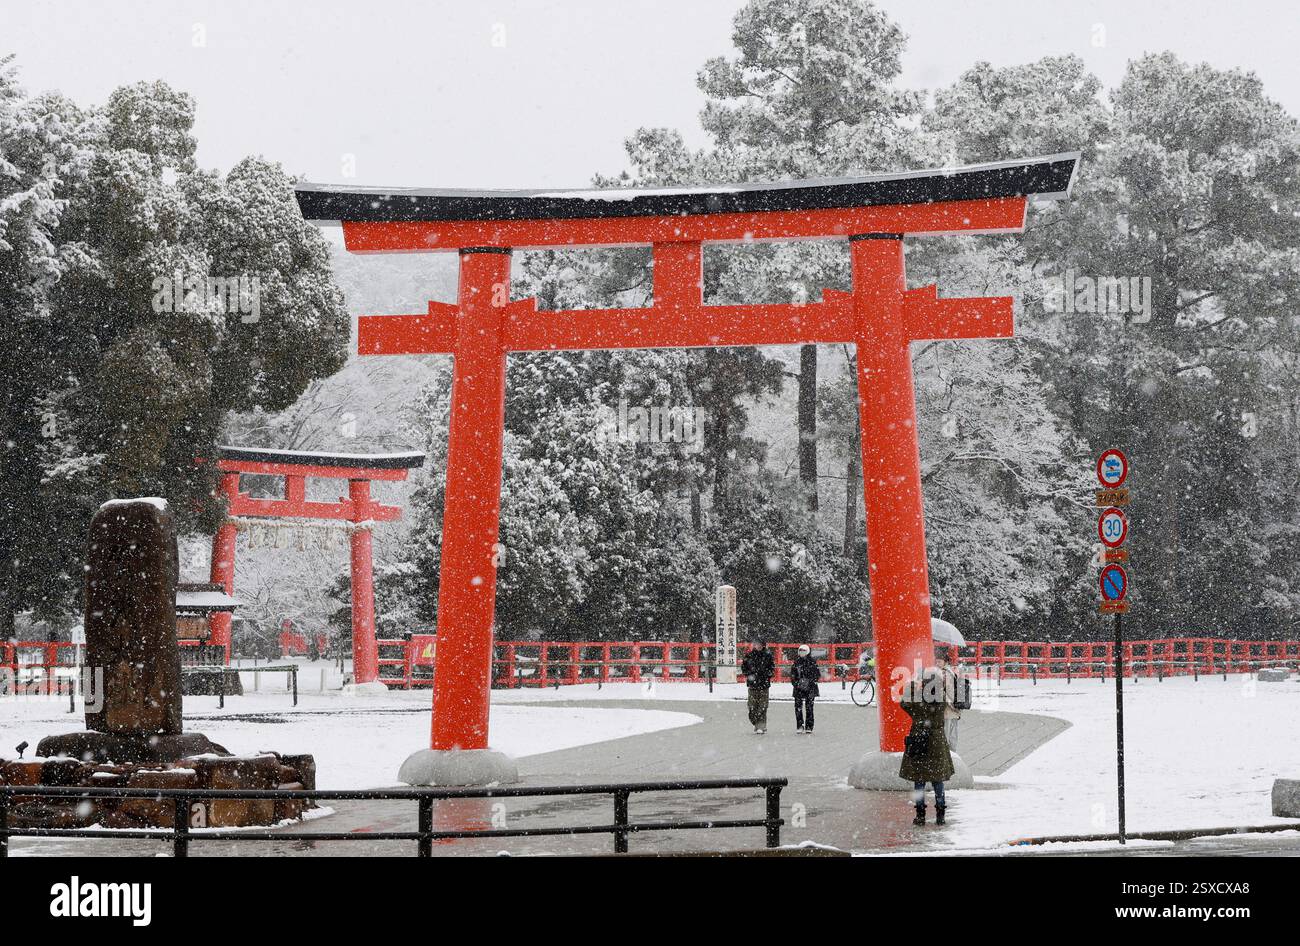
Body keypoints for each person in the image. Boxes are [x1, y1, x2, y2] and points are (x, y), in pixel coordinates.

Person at [899, 667, 955, 826]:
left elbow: (904, 703)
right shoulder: (940, 700)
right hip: (936, 742)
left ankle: (920, 815)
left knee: (919, 781)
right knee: (938, 781)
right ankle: (940, 815)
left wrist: (911, 686)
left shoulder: (917, 700)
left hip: (919, 741)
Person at [740, 639, 775, 734]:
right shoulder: (749, 656)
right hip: (752, 685)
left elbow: (772, 668)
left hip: (764, 684)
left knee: (763, 706)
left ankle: (761, 726)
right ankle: (755, 721)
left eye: (759, 644)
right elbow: (744, 668)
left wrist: (767, 674)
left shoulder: (768, 656)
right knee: (752, 706)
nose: (757, 646)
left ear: (763, 645)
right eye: (755, 644)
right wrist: (749, 674)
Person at [935, 646, 964, 751]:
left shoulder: (945, 674)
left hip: (948, 709)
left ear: (945, 661)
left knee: (947, 736)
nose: (937, 664)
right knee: (952, 735)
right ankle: (951, 755)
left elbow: (948, 693)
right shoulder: (950, 671)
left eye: (939, 661)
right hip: (953, 710)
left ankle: (949, 757)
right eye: (936, 662)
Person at [790, 644, 821, 734]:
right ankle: (799, 725)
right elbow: (792, 675)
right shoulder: (796, 662)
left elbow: (817, 675)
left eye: (803, 651)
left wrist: (809, 682)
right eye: (800, 651)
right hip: (798, 688)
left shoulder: (812, 662)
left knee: (809, 707)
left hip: (810, 688)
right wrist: (796, 683)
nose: (801, 653)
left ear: (807, 652)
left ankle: (809, 726)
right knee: (798, 707)